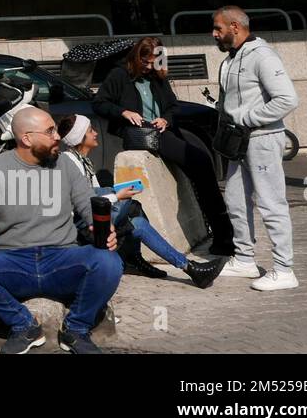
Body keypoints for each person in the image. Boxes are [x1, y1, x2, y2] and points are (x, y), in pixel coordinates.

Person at [0, 107, 122, 355]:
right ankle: (22, 325)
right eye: (50, 131)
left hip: (62, 258)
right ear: (26, 138)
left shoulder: (66, 164)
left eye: (55, 129)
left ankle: (76, 329)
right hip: (13, 260)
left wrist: (103, 226)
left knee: (109, 262)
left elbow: (87, 203)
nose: (57, 136)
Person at [93, 35, 235, 256]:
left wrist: (166, 119)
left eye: (154, 62)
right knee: (199, 162)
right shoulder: (119, 74)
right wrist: (124, 112)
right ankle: (223, 235)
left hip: (162, 130)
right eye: (146, 62)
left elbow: (172, 106)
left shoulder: (157, 76)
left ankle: (222, 232)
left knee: (202, 164)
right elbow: (100, 103)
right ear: (137, 57)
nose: (149, 67)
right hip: (142, 134)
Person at [58, 114, 226, 288]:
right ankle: (152, 262)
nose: (95, 133)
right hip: (82, 227)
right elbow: (83, 202)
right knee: (132, 210)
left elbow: (93, 195)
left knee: (136, 215)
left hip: (91, 220)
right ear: (80, 138)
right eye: (91, 131)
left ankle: (184, 267)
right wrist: (117, 196)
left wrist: (118, 192)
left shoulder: (83, 161)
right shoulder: (70, 163)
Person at [212, 6, 298, 290]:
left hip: (261, 139)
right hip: (238, 141)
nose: (214, 34)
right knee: (236, 200)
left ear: (235, 26)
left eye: (218, 28)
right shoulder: (229, 60)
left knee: (271, 202)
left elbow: (287, 99)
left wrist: (248, 118)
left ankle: (285, 270)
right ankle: (245, 259)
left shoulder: (262, 55)